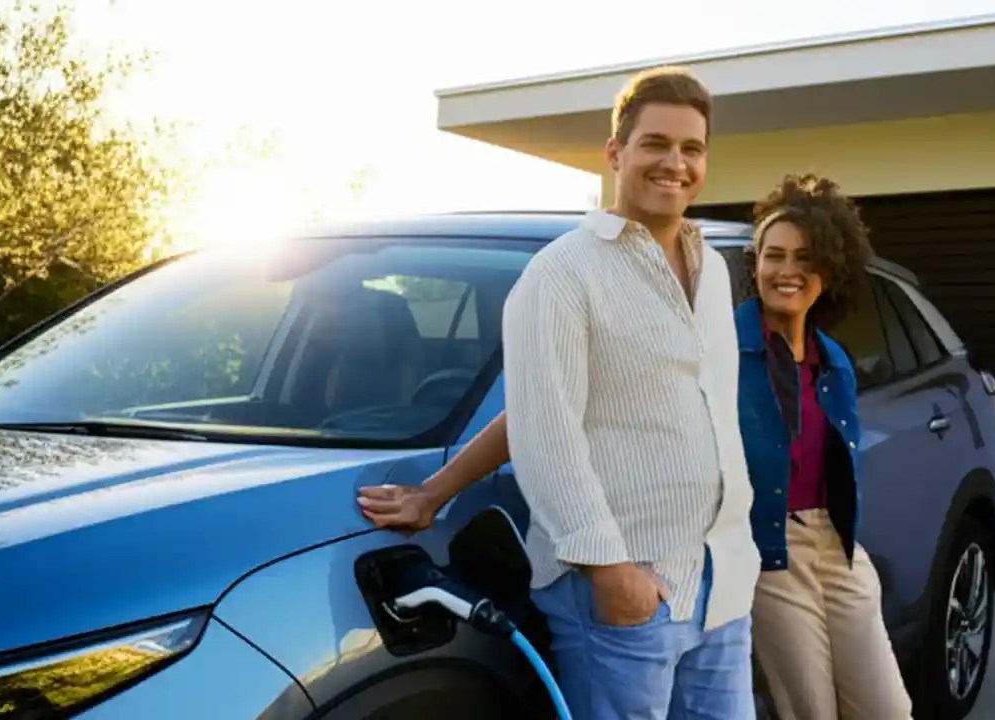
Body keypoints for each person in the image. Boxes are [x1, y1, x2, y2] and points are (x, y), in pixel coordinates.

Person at [360, 173, 915, 719]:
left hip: (833, 548)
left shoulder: (833, 361)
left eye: (806, 258)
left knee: (888, 707)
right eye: (774, 255)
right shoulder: (718, 335)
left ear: (831, 270)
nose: (787, 271)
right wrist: (434, 492)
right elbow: (537, 410)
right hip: (760, 550)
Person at [361, 66, 760, 719]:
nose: (675, 162)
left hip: (717, 581)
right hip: (623, 591)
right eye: (656, 143)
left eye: (692, 148)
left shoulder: (711, 269)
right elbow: (547, 426)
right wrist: (611, 573)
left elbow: (558, 407)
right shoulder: (564, 274)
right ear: (615, 152)